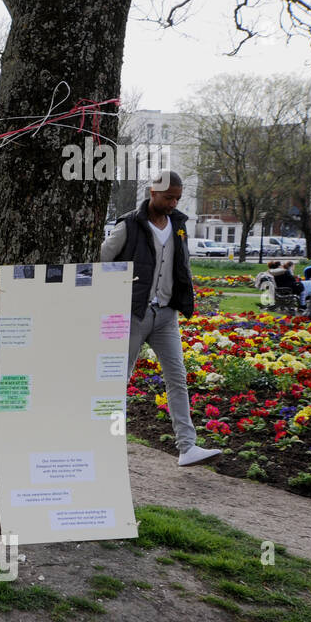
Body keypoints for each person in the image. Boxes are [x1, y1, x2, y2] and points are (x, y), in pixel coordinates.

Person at [101, 172, 220, 467]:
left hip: (166, 314)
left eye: (177, 198)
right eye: (169, 197)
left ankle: (187, 447)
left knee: (177, 377)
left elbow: (181, 265)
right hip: (132, 313)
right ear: (152, 192)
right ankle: (107, 442)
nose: (173, 203)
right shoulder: (128, 225)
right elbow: (101, 261)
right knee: (118, 379)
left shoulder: (178, 225)